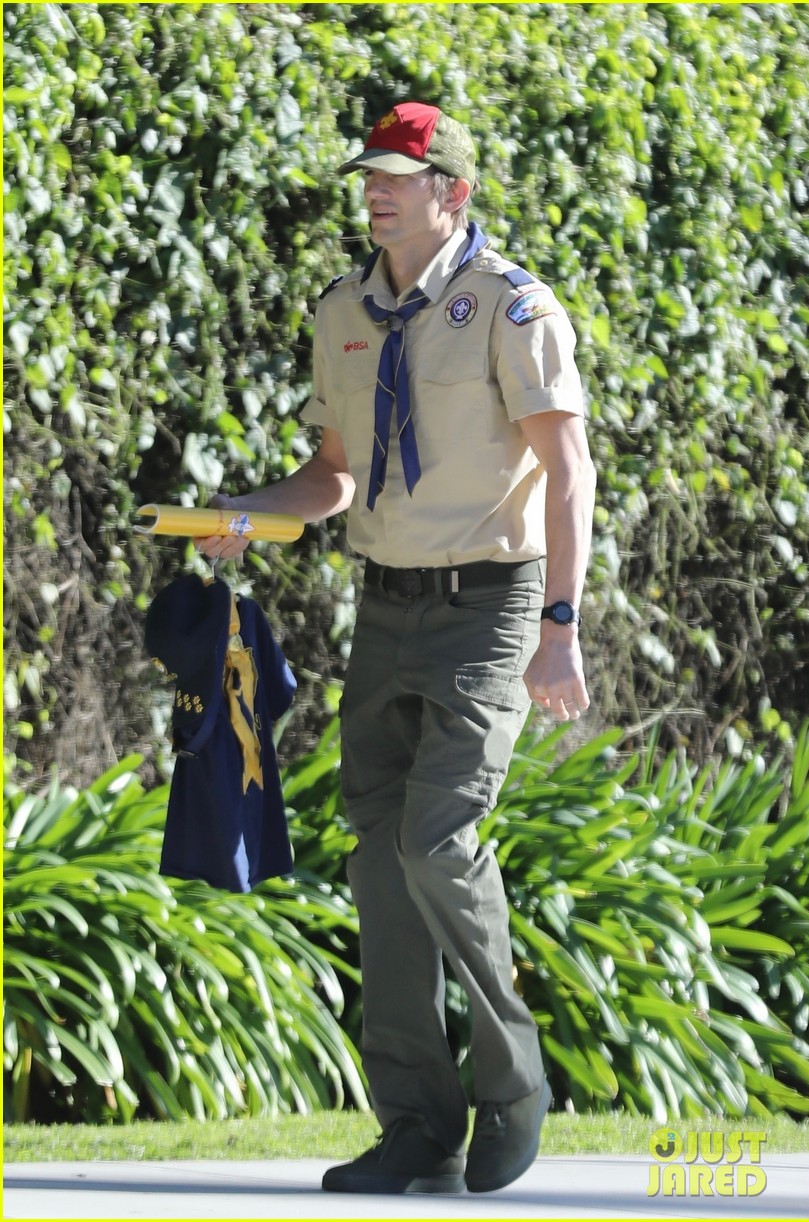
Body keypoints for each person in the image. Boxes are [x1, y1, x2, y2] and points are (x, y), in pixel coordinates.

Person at [198, 101, 596, 1195]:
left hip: (492, 607)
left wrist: (560, 626)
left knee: (436, 838)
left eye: (397, 177)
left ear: (451, 194)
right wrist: (248, 508)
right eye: (368, 174)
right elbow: (333, 474)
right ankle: (416, 1123)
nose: (373, 190)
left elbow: (568, 474)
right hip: (384, 608)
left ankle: (512, 1090)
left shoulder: (513, 308)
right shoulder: (342, 311)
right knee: (379, 862)